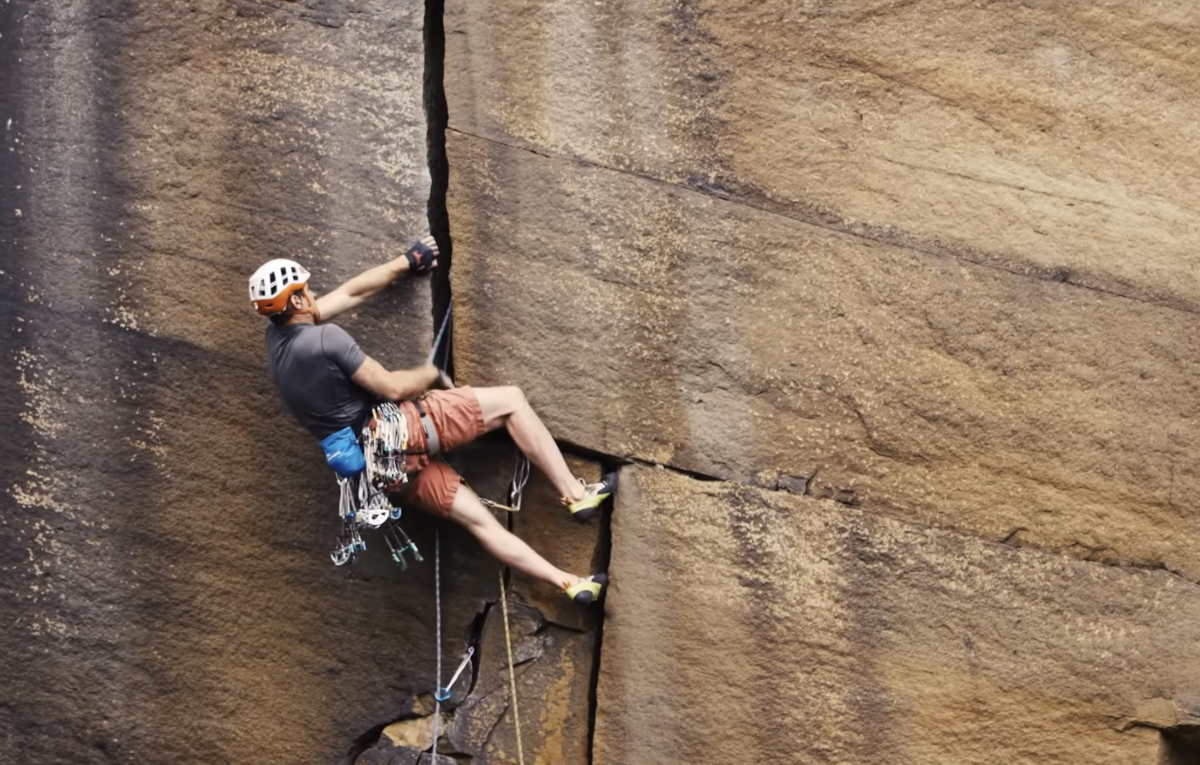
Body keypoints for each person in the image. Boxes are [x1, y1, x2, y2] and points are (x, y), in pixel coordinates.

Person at [248, 235, 615, 604]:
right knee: (512, 402)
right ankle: (575, 493)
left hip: (380, 477)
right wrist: (428, 374)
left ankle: (570, 583)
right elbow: (391, 387)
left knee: (480, 522)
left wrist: (406, 262)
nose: (313, 295)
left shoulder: (278, 343)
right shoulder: (325, 339)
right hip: (400, 431)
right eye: (306, 290)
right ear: (296, 300)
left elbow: (349, 294)